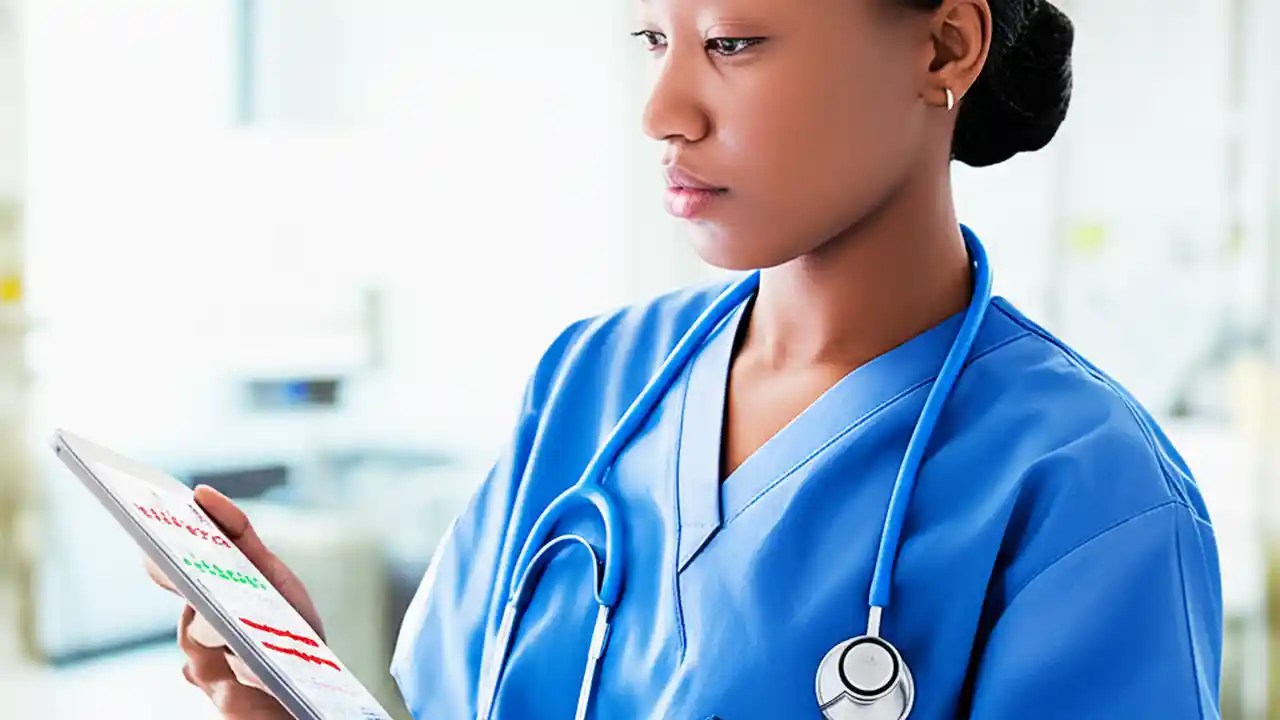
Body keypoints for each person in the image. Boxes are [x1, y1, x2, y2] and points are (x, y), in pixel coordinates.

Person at [149, 0, 1224, 717]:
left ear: (941, 48)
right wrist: (284, 691)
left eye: (732, 42)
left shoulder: (1090, 494)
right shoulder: (588, 382)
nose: (661, 113)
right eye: (651, 42)